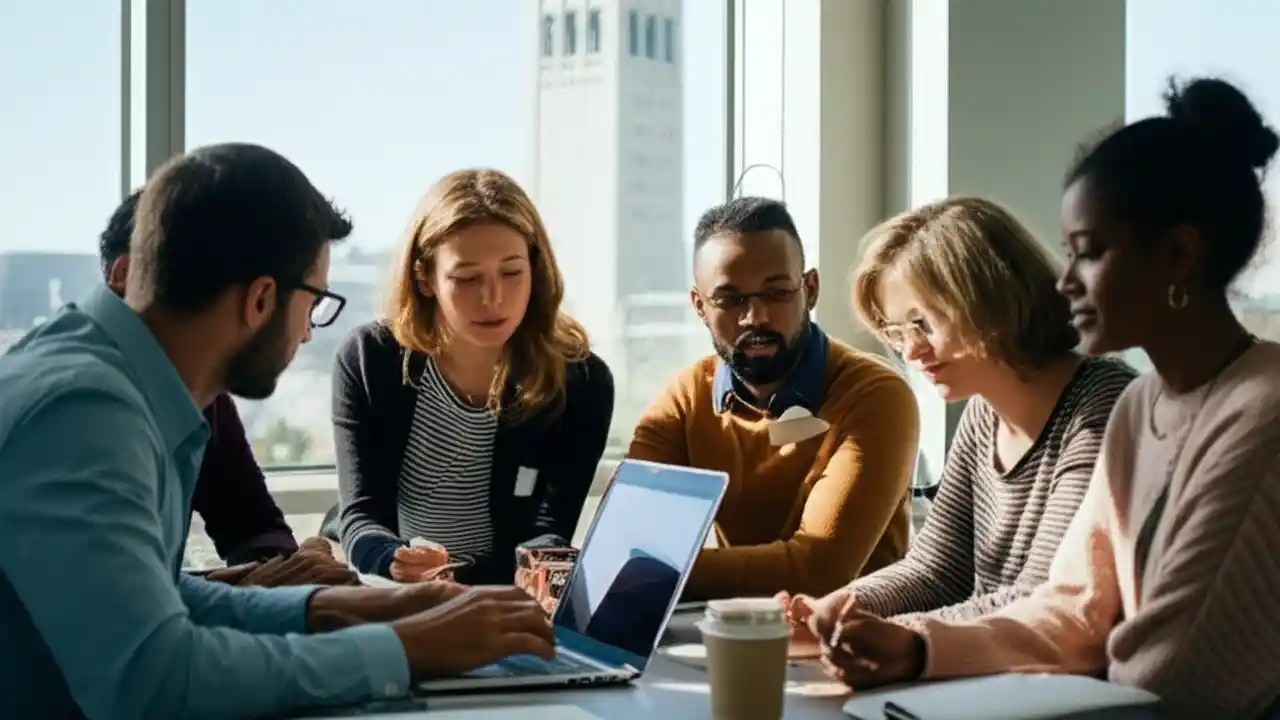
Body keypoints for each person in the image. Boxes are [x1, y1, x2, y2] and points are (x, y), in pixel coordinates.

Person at [0, 143, 555, 719]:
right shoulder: (85, 414)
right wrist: (408, 648)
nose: (309, 333)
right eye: (314, 302)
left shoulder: (108, 381)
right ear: (262, 298)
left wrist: (357, 609)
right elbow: (155, 680)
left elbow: (152, 598)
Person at [808, 78, 1280, 719]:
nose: (1065, 283)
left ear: (1178, 254)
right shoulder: (1142, 407)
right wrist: (918, 649)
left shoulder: (1261, 409)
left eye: (1090, 254)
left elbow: (1173, 671)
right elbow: (1072, 610)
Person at [780, 197, 1135, 636]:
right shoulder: (983, 414)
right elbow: (935, 570)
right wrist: (831, 609)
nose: (911, 352)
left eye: (923, 324)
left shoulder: (1103, 407)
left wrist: (890, 635)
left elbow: (1042, 598)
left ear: (991, 300)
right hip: (994, 662)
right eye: (897, 332)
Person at [628, 197, 921, 600]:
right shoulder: (686, 397)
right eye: (730, 299)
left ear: (810, 289)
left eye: (777, 292)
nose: (756, 317)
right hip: (731, 627)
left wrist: (655, 574)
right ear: (699, 306)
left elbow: (817, 570)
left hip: (857, 632)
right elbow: (628, 537)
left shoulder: (875, 395)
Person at [334, 168, 614, 585]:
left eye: (512, 272)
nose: (493, 298)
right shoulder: (369, 359)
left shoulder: (581, 383)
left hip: (500, 593)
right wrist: (393, 559)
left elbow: (548, 535)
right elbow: (360, 515)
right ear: (424, 277)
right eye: (467, 278)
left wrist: (454, 577)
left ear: (536, 269)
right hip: (391, 591)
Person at [99, 189, 353, 586]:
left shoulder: (197, 394)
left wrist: (294, 580)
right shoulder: (79, 408)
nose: (304, 333)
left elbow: (253, 528)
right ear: (126, 276)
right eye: (309, 302)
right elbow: (114, 600)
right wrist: (255, 586)